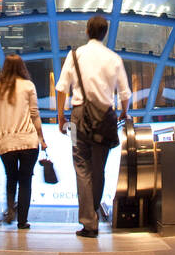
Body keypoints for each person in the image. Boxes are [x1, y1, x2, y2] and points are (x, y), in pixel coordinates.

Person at [56, 15, 130, 238]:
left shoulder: (74, 55)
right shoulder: (114, 58)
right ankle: (93, 213)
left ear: (87, 31)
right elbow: (125, 93)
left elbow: (62, 88)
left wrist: (61, 117)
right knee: (99, 169)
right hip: (105, 117)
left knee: (81, 167)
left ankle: (89, 222)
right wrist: (124, 113)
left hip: (78, 116)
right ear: (105, 33)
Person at [0, 54, 45, 228]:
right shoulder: (28, 86)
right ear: (22, 67)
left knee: (10, 178)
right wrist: (41, 138)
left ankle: (10, 211)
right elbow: (35, 114)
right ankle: (22, 220)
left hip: (6, 141)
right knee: (25, 180)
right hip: (28, 140)